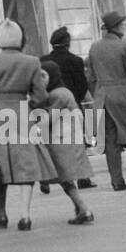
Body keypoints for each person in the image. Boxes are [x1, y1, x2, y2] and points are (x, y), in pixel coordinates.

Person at [0, 20, 57, 230]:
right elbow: (40, 96)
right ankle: (25, 215)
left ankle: (1, 213)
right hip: (21, 114)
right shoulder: (32, 62)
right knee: (25, 164)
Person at [85, 11, 126, 190]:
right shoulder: (124, 46)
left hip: (102, 97)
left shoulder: (94, 47)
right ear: (117, 27)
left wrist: (99, 92)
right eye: (122, 24)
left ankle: (117, 181)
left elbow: (90, 77)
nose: (124, 27)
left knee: (111, 142)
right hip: (123, 94)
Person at [39, 60, 94, 224]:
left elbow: (50, 118)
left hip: (62, 140)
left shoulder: (57, 94)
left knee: (65, 178)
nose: (41, 80)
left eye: (43, 76)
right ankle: (79, 210)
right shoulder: (63, 91)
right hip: (71, 137)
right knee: (67, 177)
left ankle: (84, 210)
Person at [42, 27, 89, 103]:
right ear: (68, 43)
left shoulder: (43, 60)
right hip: (72, 104)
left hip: (49, 105)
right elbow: (83, 87)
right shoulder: (76, 61)